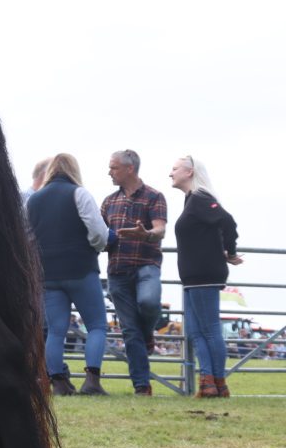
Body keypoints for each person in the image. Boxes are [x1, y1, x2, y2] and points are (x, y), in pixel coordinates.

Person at [26, 153, 111, 396]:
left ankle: (59, 382)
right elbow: (99, 232)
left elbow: (27, 237)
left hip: (47, 273)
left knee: (56, 330)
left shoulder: (34, 200)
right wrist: (95, 246)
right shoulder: (79, 193)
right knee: (96, 326)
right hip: (81, 269)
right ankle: (92, 381)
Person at [169, 155, 242, 398]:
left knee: (208, 329)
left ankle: (216, 383)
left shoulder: (201, 198)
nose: (171, 173)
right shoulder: (193, 200)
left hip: (203, 274)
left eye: (175, 169)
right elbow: (214, 228)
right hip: (194, 276)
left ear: (189, 172)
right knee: (195, 331)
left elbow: (227, 221)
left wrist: (229, 251)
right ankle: (209, 381)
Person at [102, 149, 168, 396]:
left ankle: (148, 333)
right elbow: (98, 233)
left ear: (130, 169)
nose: (109, 172)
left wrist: (146, 233)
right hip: (117, 270)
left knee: (149, 302)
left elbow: (160, 229)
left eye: (113, 167)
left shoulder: (154, 197)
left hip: (146, 265)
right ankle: (142, 385)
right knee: (130, 330)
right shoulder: (109, 201)